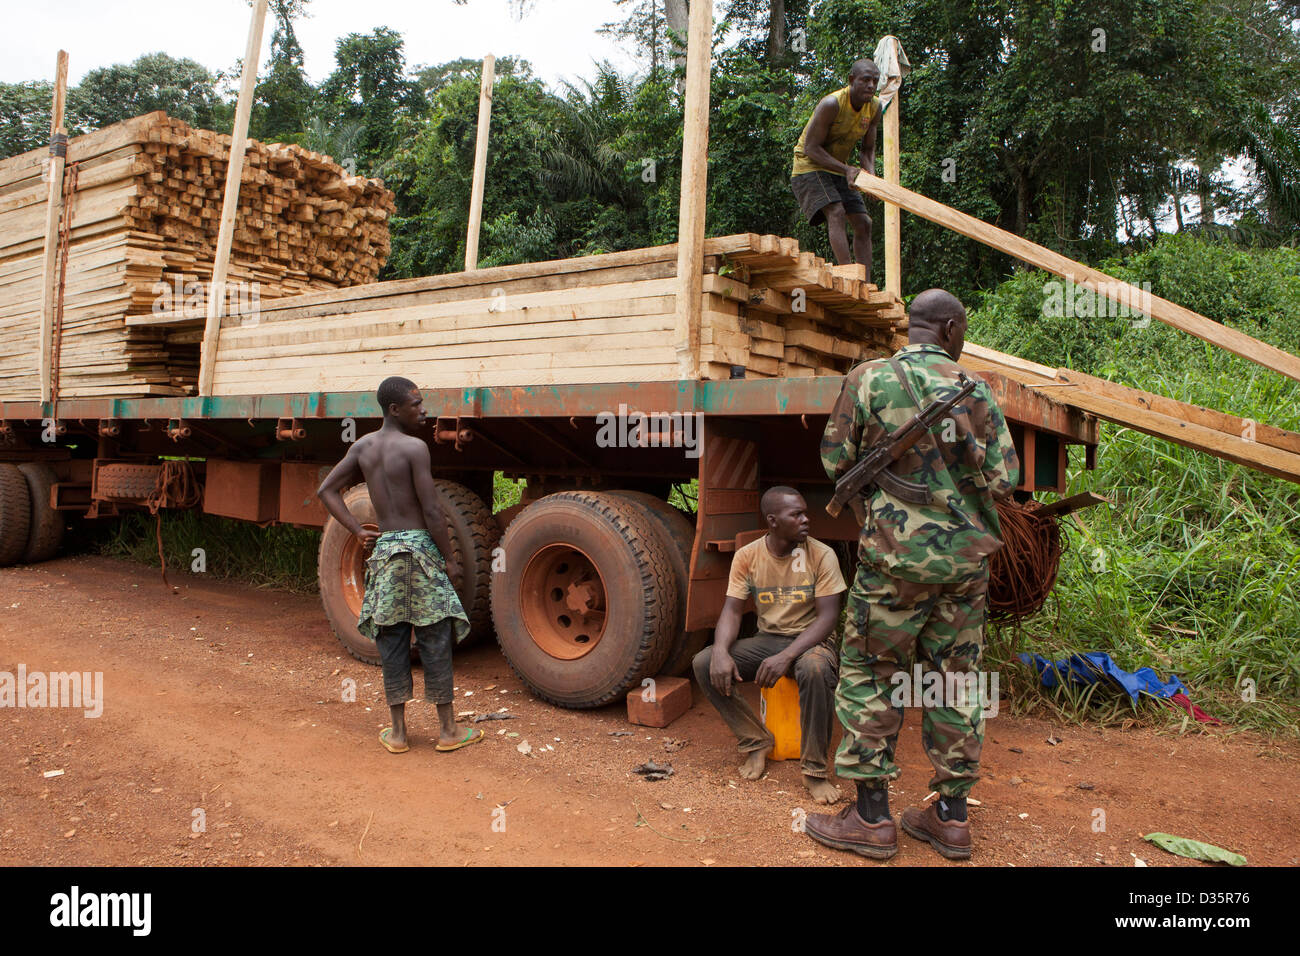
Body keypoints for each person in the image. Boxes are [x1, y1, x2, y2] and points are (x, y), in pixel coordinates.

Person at [804, 289, 1019, 860]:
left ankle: (872, 818)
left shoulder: (868, 380)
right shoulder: (976, 391)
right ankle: (950, 819)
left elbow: (833, 459)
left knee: (873, 673)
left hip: (893, 562)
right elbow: (1004, 480)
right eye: (963, 329)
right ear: (949, 329)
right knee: (955, 682)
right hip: (965, 566)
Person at [316, 375, 483, 755]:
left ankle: (398, 733)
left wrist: (358, 530)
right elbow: (431, 510)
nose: (424, 410)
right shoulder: (414, 448)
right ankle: (447, 731)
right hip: (420, 552)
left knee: (390, 638)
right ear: (394, 409)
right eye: (416, 404)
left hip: (386, 552)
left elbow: (326, 490)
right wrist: (451, 560)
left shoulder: (362, 448)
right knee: (434, 636)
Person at [691, 486, 847, 804]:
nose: (806, 520)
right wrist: (721, 651)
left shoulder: (821, 555)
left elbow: (828, 618)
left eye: (805, 512)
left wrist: (787, 655)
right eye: (797, 514)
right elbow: (732, 610)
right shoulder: (748, 556)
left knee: (815, 668)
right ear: (773, 521)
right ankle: (755, 741)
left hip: (813, 641)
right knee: (704, 663)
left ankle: (815, 771)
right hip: (768, 640)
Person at [790, 58, 882, 275]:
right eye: (865, 80)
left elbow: (867, 150)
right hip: (808, 166)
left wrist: (871, 178)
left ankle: (864, 284)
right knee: (836, 211)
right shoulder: (832, 104)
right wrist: (847, 170)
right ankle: (849, 275)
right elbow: (811, 148)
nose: (871, 86)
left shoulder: (875, 108)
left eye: (875, 81)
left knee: (864, 222)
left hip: (839, 169)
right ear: (851, 80)